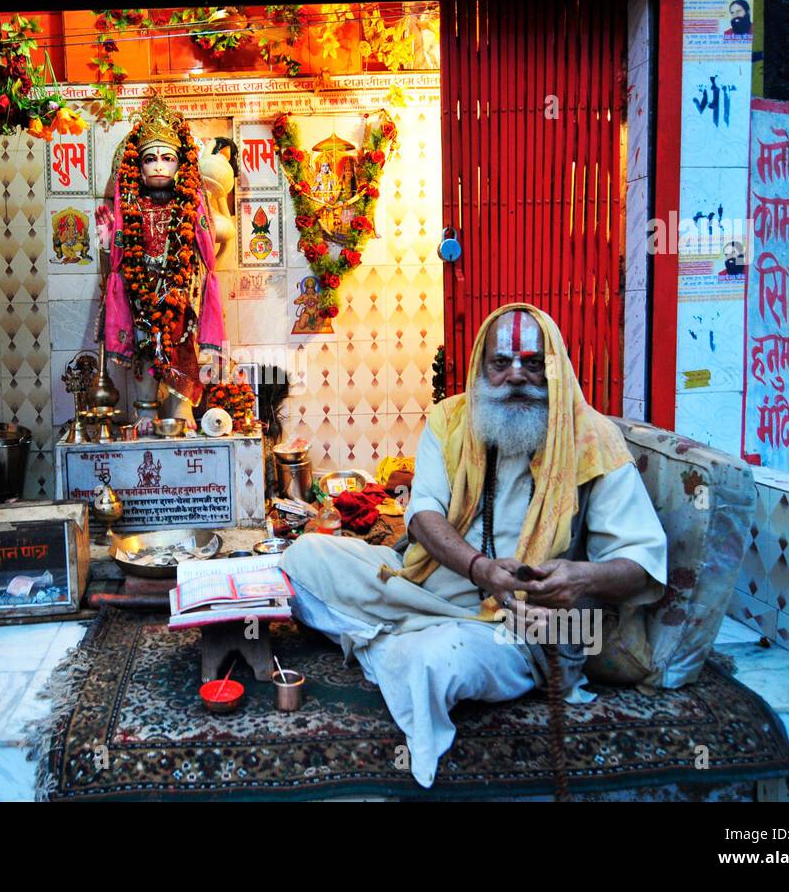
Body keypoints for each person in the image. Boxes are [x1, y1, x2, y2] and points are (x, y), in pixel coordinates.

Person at [280, 303, 668, 787]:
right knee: (300, 562)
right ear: (480, 368)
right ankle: (386, 642)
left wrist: (581, 577)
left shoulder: (593, 441)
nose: (516, 377)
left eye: (532, 363)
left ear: (554, 368)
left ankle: (377, 641)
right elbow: (422, 517)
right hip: (426, 583)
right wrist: (480, 568)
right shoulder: (452, 419)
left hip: (516, 623)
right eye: (501, 363)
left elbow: (643, 565)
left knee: (433, 664)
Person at [103, 94, 225, 424]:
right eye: (150, 158)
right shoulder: (131, 208)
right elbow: (118, 253)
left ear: (179, 165)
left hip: (180, 296)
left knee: (183, 349)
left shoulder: (188, 207)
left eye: (168, 158)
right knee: (145, 351)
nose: (159, 164)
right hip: (141, 296)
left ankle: (182, 411)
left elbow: (204, 252)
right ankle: (145, 411)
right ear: (137, 168)